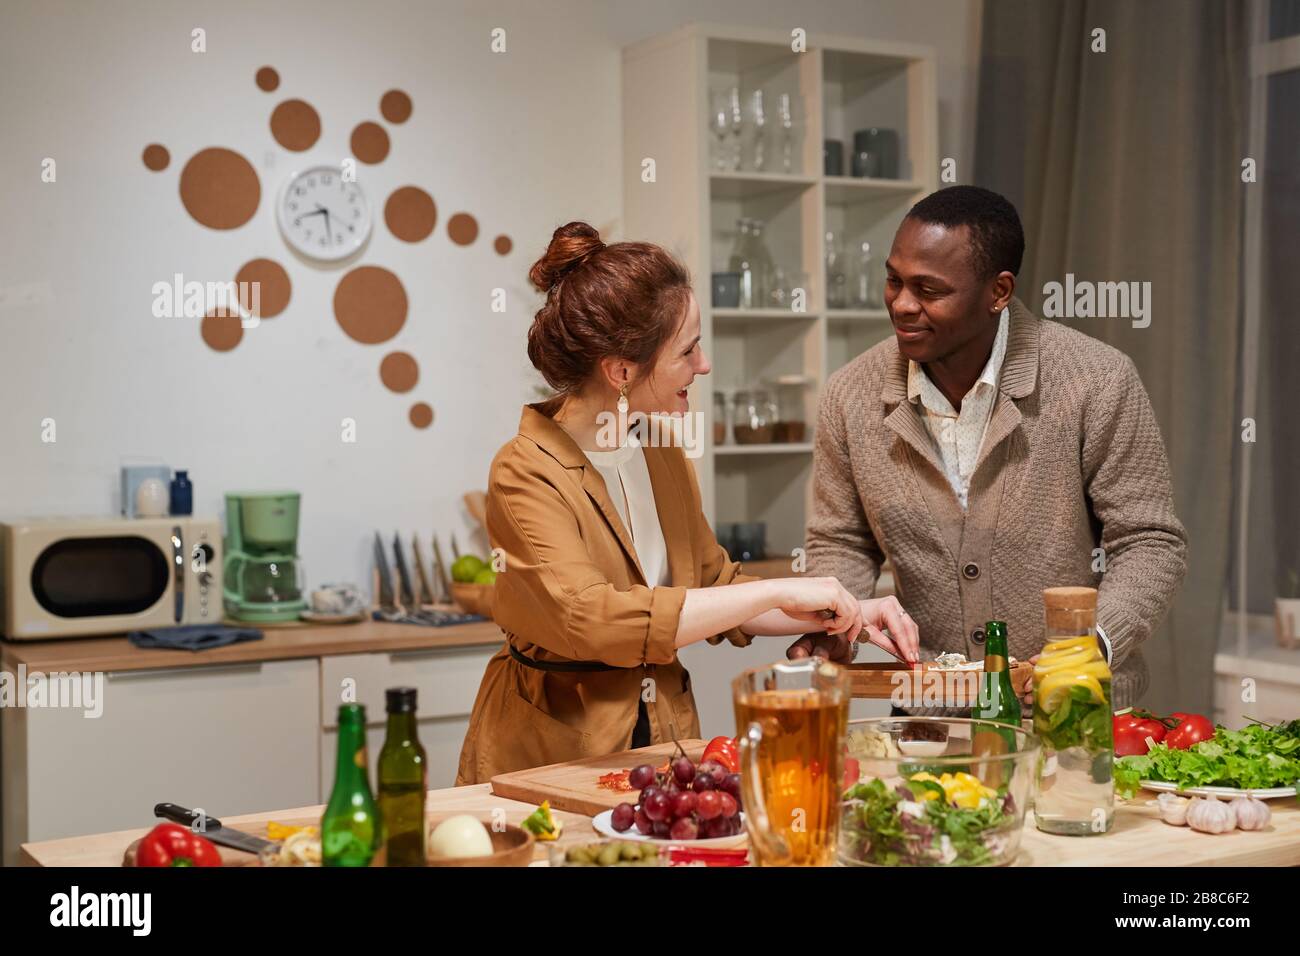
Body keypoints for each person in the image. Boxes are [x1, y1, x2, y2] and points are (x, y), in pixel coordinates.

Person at [456, 222, 919, 784]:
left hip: (663, 735)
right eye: (687, 350)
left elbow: (715, 586)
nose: (703, 366)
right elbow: (594, 620)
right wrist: (782, 587)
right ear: (622, 371)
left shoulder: (659, 450)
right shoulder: (524, 471)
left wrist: (844, 609)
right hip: (550, 751)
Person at [804, 186, 1187, 712]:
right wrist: (836, 622)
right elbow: (841, 541)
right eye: (894, 280)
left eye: (929, 290)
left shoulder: (1097, 380)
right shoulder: (850, 395)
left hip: (1078, 717)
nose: (902, 304)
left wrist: (1090, 647)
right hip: (930, 720)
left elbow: (1149, 540)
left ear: (998, 291)